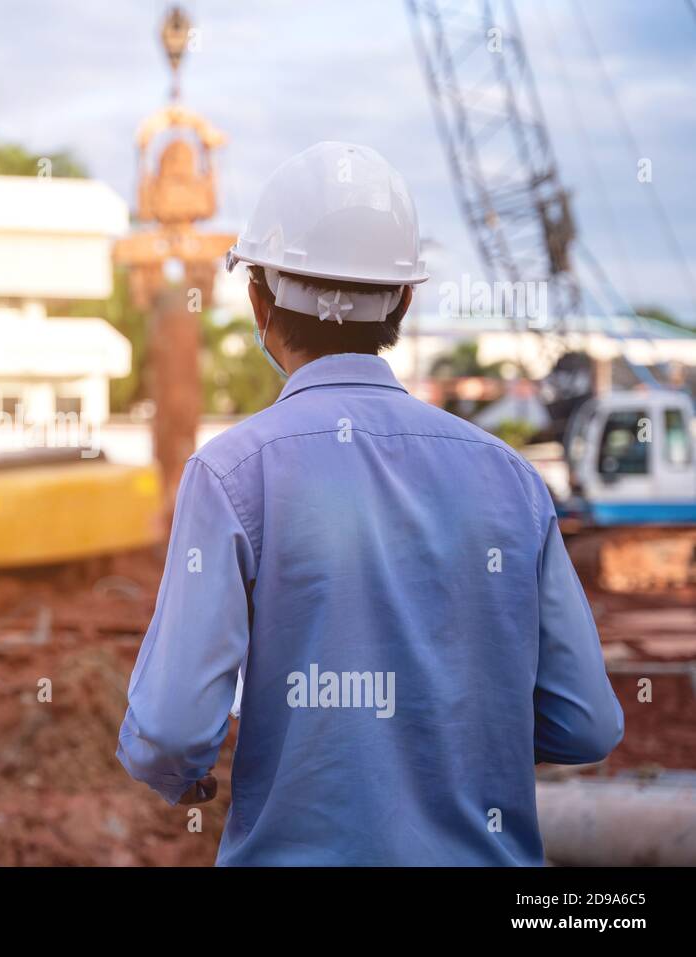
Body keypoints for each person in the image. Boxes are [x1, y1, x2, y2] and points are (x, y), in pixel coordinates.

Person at [116, 142, 623, 866]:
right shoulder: (510, 478)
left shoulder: (231, 475)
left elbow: (169, 729)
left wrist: (178, 773)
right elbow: (587, 724)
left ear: (259, 300)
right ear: (405, 300)